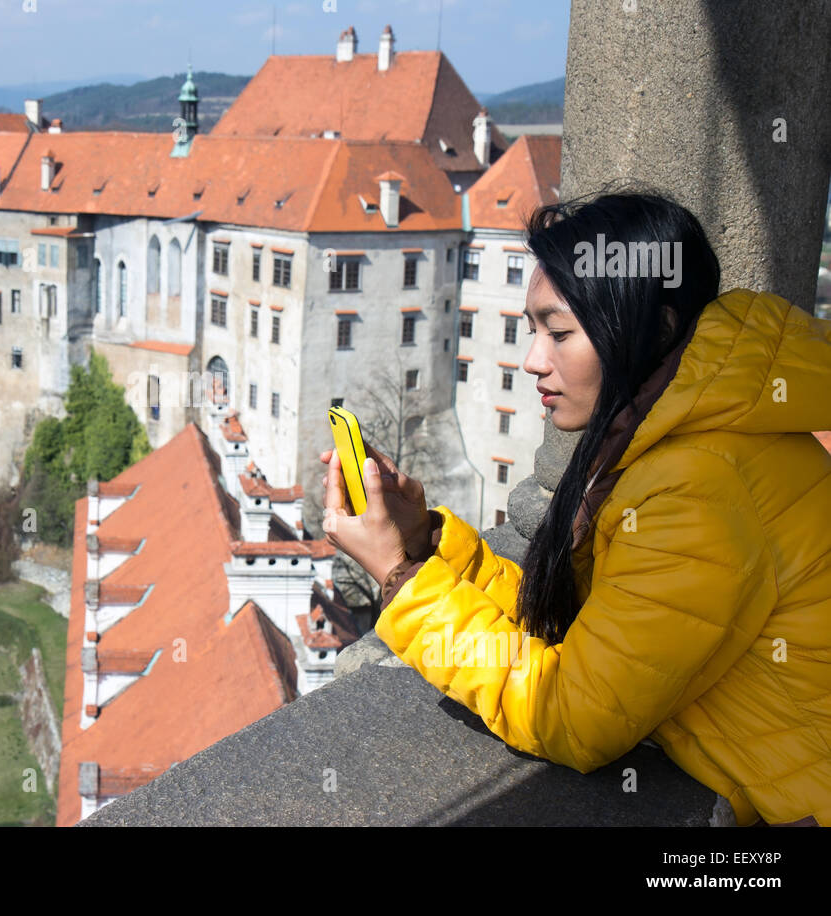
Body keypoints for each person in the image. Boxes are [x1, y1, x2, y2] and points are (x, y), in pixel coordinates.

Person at [320, 190, 831, 827]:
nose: (533, 360)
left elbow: (571, 715)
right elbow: (594, 625)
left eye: (559, 332)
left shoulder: (694, 488)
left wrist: (401, 581)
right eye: (533, 331)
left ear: (658, 329)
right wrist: (424, 543)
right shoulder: (687, 431)